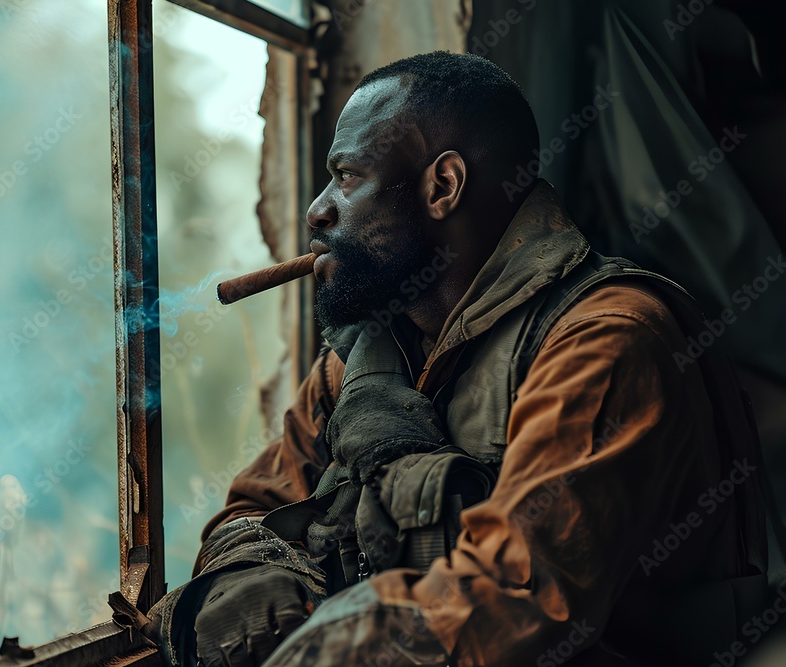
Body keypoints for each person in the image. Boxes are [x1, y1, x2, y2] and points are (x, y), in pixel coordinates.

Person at [147, 51, 769, 667]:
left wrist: (311, 648)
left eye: (347, 175)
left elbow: (516, 595)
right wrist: (256, 584)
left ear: (442, 186)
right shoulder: (363, 358)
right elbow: (250, 510)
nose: (318, 209)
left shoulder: (606, 337)